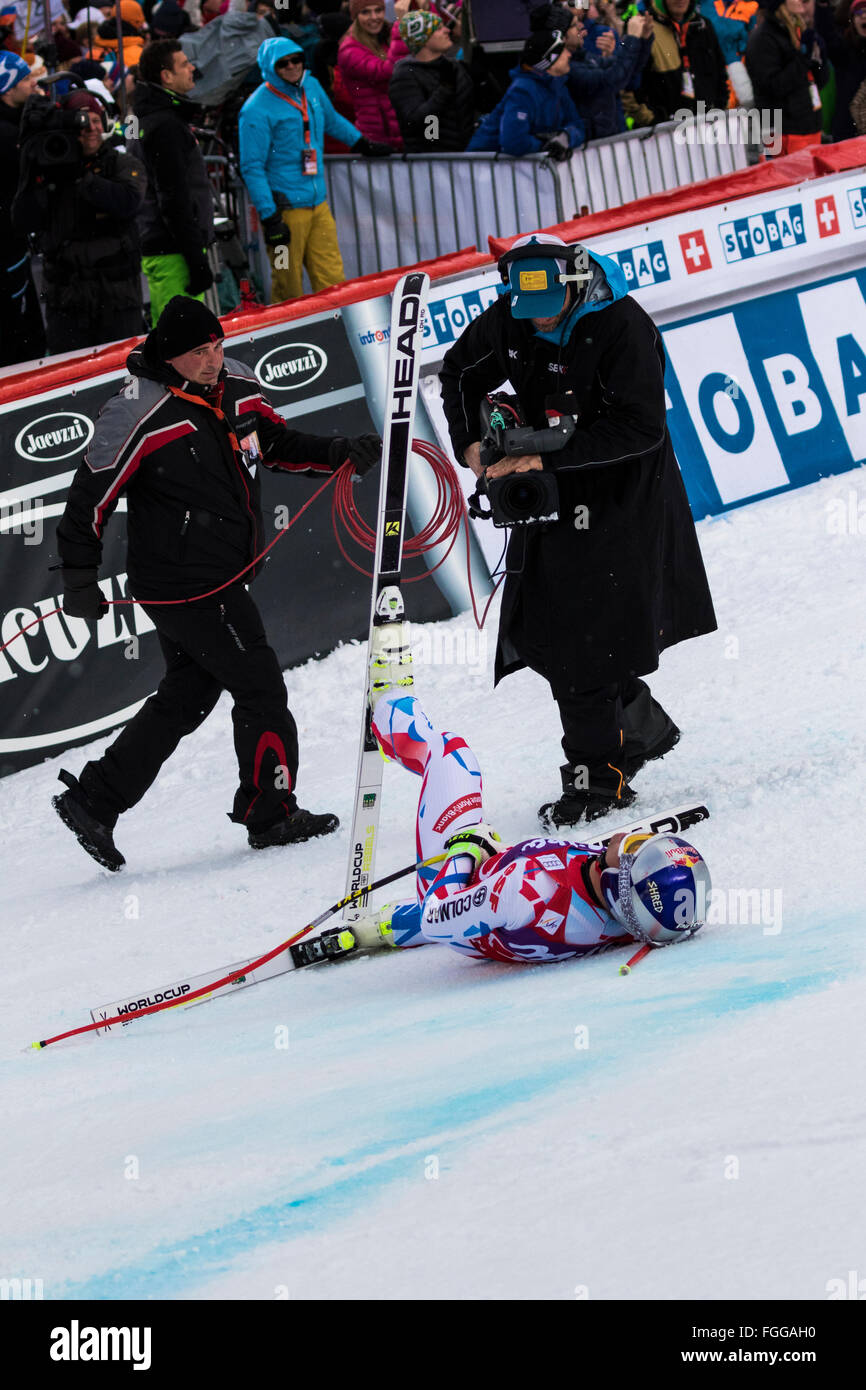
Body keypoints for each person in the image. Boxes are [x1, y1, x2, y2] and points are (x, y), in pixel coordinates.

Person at [52, 295, 383, 870]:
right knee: (259, 688)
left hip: (220, 572)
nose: (213, 360)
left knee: (188, 694)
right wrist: (79, 579)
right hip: (188, 584)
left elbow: (274, 442)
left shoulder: (237, 383)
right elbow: (88, 501)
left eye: (218, 346)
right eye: (199, 353)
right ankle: (271, 813)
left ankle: (95, 799)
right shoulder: (133, 411)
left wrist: (336, 452)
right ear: (168, 356)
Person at [439, 233, 717, 828]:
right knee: (535, 629)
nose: (532, 320)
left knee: (581, 646)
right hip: (549, 495)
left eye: (544, 309)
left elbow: (640, 428)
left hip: (622, 498)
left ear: (572, 284)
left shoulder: (622, 326)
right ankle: (636, 723)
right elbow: (460, 371)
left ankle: (596, 782)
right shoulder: (514, 315)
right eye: (521, 310)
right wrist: (471, 446)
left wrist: (543, 458)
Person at [306, 693, 712, 966]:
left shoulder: (527, 889)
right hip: (491, 904)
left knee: (452, 755)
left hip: (458, 888)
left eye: (634, 851)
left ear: (615, 883)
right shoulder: (632, 918)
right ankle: (386, 927)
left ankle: (387, 706)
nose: (626, 839)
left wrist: (466, 849)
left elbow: (436, 916)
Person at [238, 35, 392, 304]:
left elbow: (331, 121)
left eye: (296, 59)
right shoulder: (255, 109)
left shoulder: (312, 85)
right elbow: (252, 167)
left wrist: (361, 143)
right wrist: (269, 216)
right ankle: (285, 341)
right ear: (270, 69)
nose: (292, 66)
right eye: (283, 64)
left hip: (318, 204)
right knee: (288, 285)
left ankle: (341, 335)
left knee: (333, 280)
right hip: (285, 211)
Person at [12, 85, 146, 353]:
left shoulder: (121, 163)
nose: (90, 128)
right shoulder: (49, 170)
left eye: (95, 120)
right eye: (81, 121)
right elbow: (24, 221)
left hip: (118, 300)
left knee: (124, 373)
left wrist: (82, 178)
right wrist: (31, 168)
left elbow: (127, 202)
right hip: (66, 303)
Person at [133, 38, 216, 326]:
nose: (192, 68)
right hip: (173, 253)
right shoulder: (164, 125)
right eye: (184, 64)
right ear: (166, 76)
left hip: (169, 248)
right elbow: (172, 197)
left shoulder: (156, 118)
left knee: (178, 341)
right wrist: (195, 259)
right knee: (180, 344)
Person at [468, 29, 586, 157]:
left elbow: (577, 125)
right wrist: (545, 146)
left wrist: (566, 137)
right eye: (563, 50)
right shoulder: (523, 91)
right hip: (485, 169)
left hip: (520, 171)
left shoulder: (558, 85)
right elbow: (513, 142)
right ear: (549, 59)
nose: (569, 54)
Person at [0, 51, 46, 367]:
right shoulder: (6, 135)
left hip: (14, 245)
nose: (34, 84)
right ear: (7, 86)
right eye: (27, 79)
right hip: (7, 250)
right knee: (17, 337)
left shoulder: (13, 126)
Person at [745, 0, 828, 153]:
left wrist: (818, 57)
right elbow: (773, 87)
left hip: (810, 124)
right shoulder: (763, 38)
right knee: (796, 177)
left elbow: (821, 81)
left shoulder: (800, 31)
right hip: (784, 131)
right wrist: (802, 58)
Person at [388, 8, 476, 152]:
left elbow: (473, 109)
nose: (447, 31)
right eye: (438, 29)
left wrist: (483, 80)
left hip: (464, 156)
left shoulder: (455, 67)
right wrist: (445, 90)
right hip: (432, 162)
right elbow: (419, 124)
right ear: (423, 39)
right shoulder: (406, 75)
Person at [630, 0, 729, 124]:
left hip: (708, 126)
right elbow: (628, 87)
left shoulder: (703, 25)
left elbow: (721, 72)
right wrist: (652, 121)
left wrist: (720, 107)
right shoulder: (643, 28)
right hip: (665, 134)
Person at [336, 0, 408, 149]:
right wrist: (401, 25)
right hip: (377, 137)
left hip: (399, 131)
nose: (374, 17)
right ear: (355, 16)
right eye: (365, 12)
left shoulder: (384, 39)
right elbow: (387, 72)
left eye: (378, 10)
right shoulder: (349, 50)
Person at [815, 0, 866, 141]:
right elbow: (827, 34)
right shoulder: (845, 50)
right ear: (852, 20)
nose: (864, 16)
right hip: (848, 132)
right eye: (859, 13)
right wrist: (822, 7)